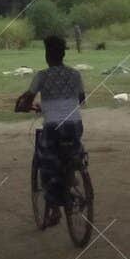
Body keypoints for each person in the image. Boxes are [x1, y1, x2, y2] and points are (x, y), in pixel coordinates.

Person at [17, 35, 87, 227]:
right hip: (74, 124)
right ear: (63, 54)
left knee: (47, 162)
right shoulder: (75, 75)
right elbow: (81, 99)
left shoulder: (41, 76)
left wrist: (35, 106)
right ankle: (73, 176)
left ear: (47, 55)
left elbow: (27, 101)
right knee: (72, 153)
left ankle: (55, 209)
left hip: (53, 126)